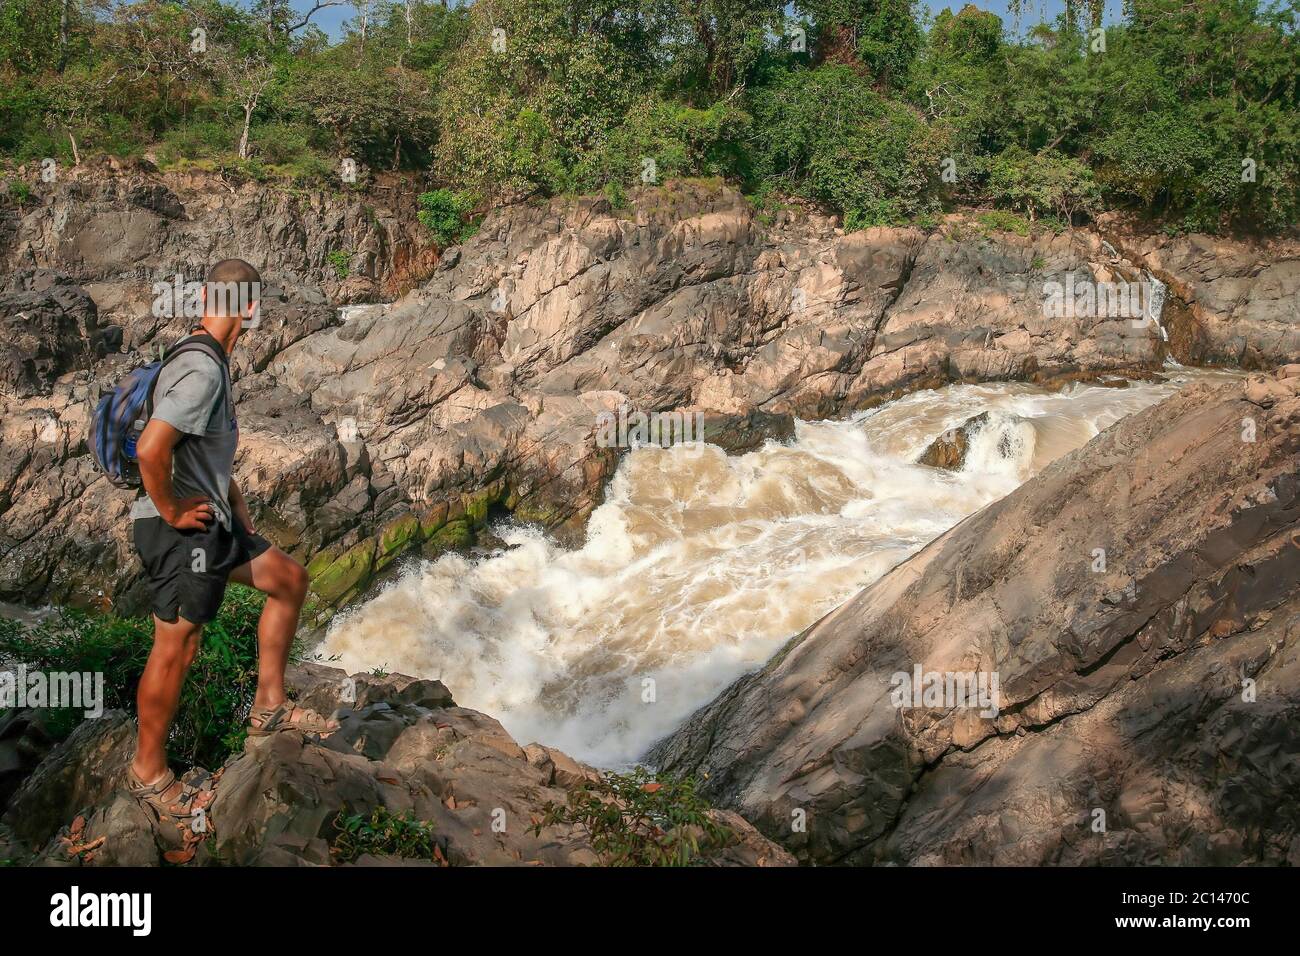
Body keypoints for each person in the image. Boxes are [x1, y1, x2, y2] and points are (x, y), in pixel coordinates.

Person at [125, 258, 337, 840]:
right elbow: (151, 449)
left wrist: (233, 498)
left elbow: (197, 447)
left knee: (288, 579)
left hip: (212, 520)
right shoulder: (203, 371)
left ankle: (268, 708)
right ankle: (148, 772)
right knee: (177, 649)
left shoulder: (200, 357)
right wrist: (170, 509)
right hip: (180, 532)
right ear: (249, 306)